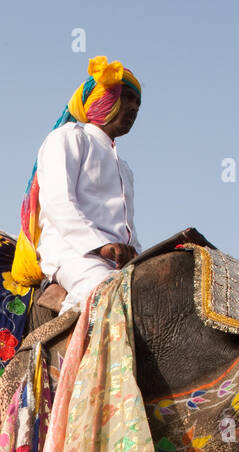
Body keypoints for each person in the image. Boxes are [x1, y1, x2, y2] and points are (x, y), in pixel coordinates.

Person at [10, 56, 142, 314]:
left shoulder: (125, 169)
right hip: (73, 253)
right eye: (127, 97)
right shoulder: (68, 138)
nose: (134, 107)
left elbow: (128, 230)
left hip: (115, 263)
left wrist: (138, 254)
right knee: (105, 296)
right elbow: (58, 203)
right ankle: (64, 312)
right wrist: (100, 245)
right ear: (101, 98)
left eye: (138, 103)